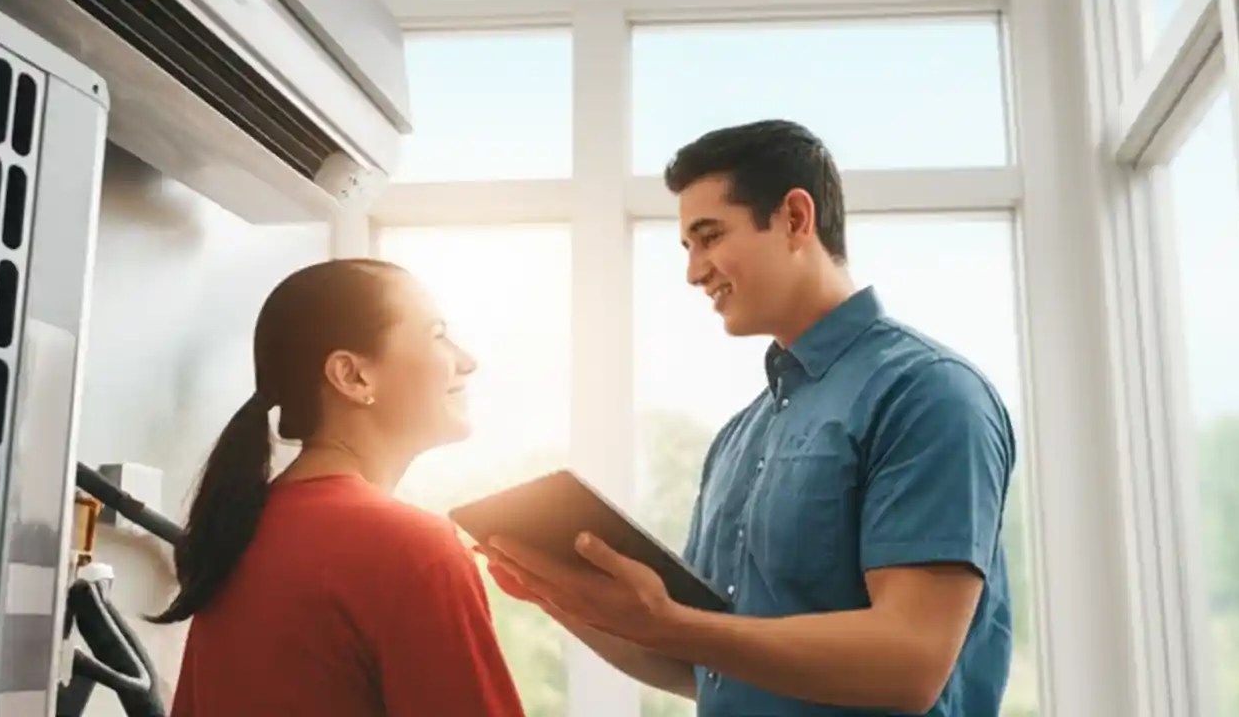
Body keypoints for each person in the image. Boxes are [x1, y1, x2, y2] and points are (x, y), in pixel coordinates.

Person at [483, 120, 1016, 716]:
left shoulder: (928, 392)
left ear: (794, 218)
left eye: (709, 237)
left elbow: (910, 663)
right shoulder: (740, 436)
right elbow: (705, 664)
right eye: (687, 247)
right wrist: (567, 599)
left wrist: (671, 624)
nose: (693, 271)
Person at [151, 259, 525, 717]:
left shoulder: (238, 529)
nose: (467, 360)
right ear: (353, 376)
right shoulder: (413, 550)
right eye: (437, 333)